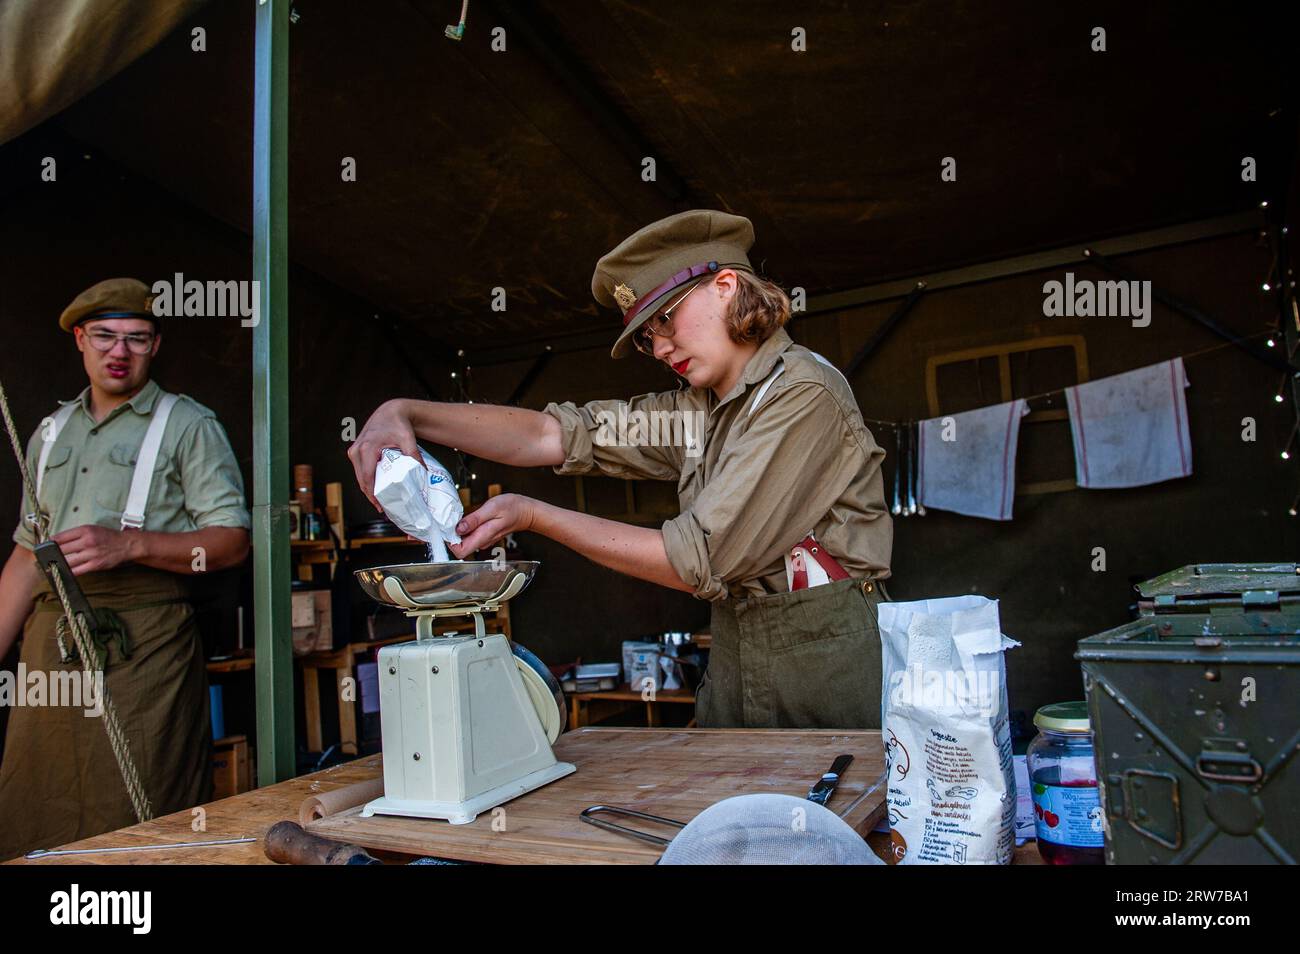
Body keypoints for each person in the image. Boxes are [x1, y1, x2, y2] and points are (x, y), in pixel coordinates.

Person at [348, 210, 893, 729]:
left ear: (726, 287)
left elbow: (695, 560)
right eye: (646, 337)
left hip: (825, 676)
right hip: (738, 662)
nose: (660, 347)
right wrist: (407, 413)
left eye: (665, 318)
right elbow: (552, 435)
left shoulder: (802, 394)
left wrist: (533, 515)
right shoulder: (696, 413)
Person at [0, 278, 251, 859]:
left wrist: (130, 546)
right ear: (80, 340)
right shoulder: (49, 432)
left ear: (155, 345)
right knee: (34, 802)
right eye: (105, 336)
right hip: (51, 643)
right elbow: (26, 557)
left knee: (143, 807)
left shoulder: (187, 424)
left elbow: (232, 542)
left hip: (145, 645)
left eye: (136, 338)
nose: (120, 351)